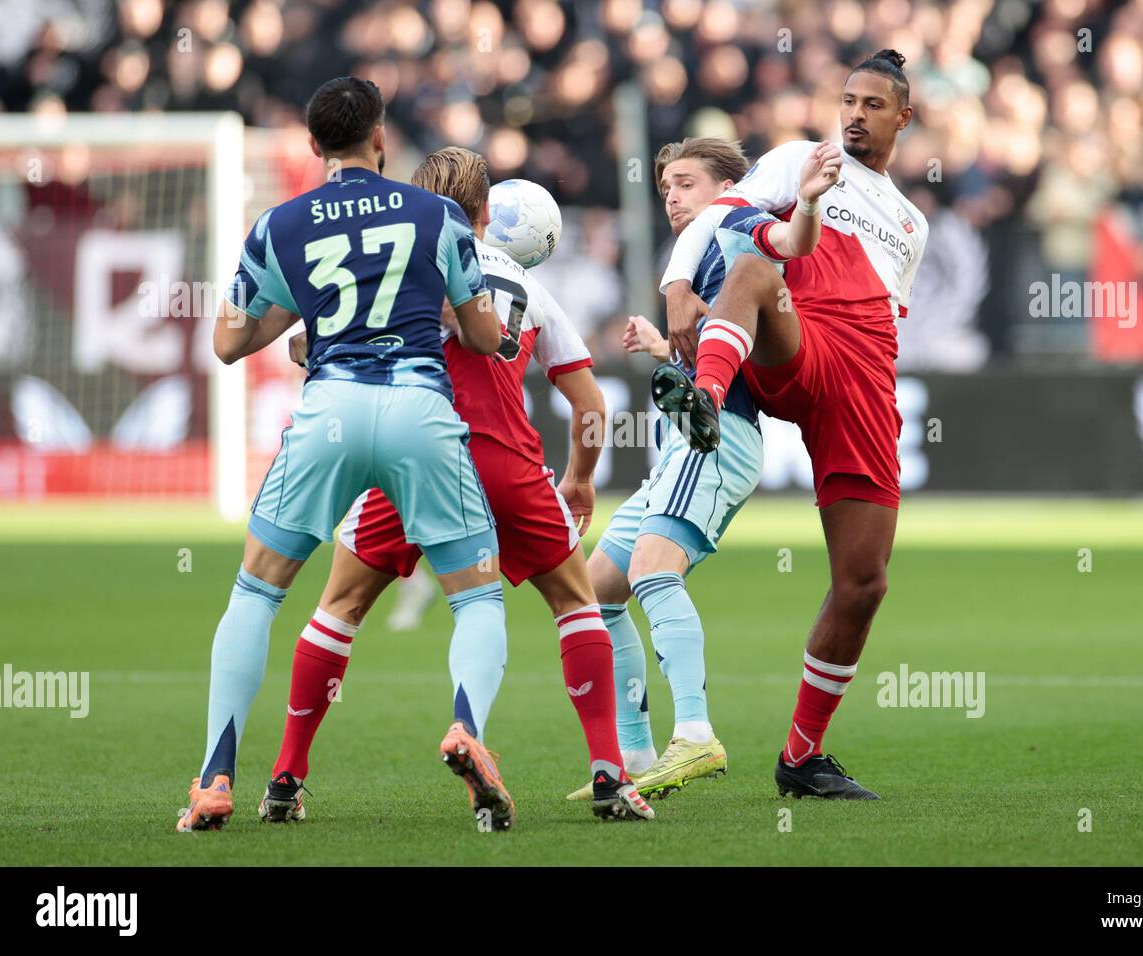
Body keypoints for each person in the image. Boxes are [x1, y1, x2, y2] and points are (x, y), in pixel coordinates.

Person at [259, 147, 654, 828]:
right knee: (574, 602)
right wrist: (580, 481)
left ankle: (285, 780)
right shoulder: (529, 286)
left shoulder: (391, 263)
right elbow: (591, 406)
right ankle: (609, 776)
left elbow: (299, 345)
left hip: (413, 453)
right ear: (485, 210)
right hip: (507, 462)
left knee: (340, 606)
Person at [177, 78, 505, 831]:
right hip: (421, 410)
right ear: (381, 136)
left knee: (257, 594)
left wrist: (312, 312)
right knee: (477, 597)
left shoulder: (279, 224)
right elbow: (484, 336)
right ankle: (465, 730)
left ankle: (215, 775)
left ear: (315, 146)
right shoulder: (439, 214)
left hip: (330, 411)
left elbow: (228, 343)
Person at [654, 51, 930, 799]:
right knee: (754, 274)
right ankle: (706, 397)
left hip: (866, 375)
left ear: (903, 116)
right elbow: (719, 217)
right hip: (799, 338)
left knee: (864, 581)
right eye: (848, 99)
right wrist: (677, 283)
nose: (855, 114)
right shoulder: (801, 160)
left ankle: (801, 758)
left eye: (874, 104)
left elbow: (888, 312)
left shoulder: (912, 222)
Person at [567, 136, 839, 801]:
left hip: (716, 439)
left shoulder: (739, 230)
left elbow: (792, 242)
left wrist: (806, 199)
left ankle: (694, 733)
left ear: (728, 187)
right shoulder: (692, 260)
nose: (672, 197)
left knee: (653, 569)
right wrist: (667, 350)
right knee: (599, 586)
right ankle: (631, 761)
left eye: (685, 183)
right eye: (665, 188)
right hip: (682, 445)